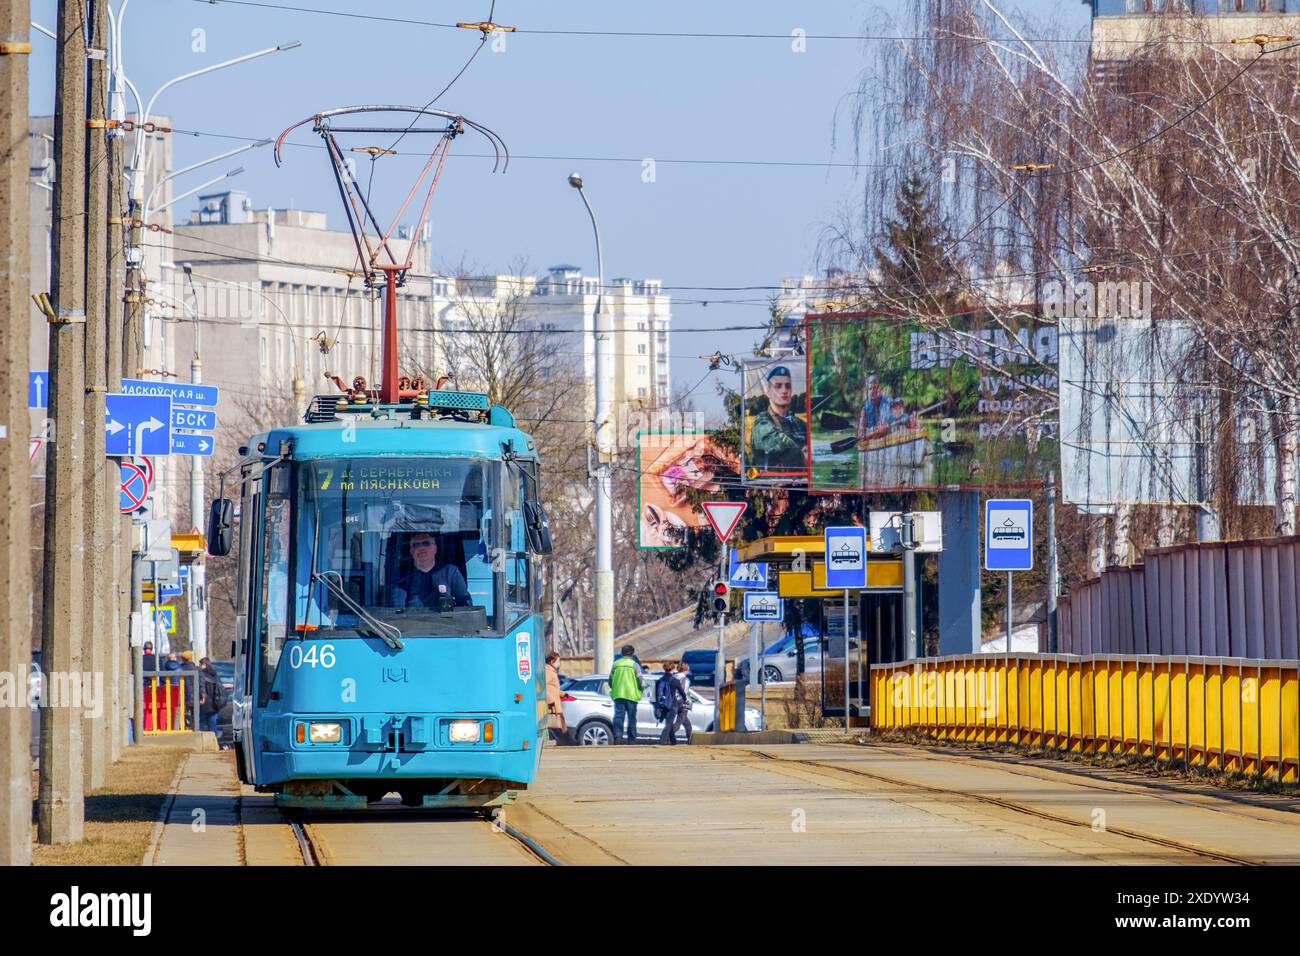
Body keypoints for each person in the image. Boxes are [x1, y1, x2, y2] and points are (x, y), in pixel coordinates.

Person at [748, 365, 807, 471]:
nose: (784, 390)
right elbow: (775, 441)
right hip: (771, 485)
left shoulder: (799, 424)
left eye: (788, 386)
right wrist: (802, 454)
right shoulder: (762, 422)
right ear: (768, 391)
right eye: (778, 386)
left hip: (801, 484)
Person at [391, 532, 472, 609]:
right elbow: (397, 609)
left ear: (435, 549)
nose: (421, 548)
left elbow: (465, 604)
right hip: (409, 622)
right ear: (411, 551)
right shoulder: (402, 575)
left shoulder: (451, 572)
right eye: (416, 545)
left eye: (426, 543)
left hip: (445, 623)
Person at [609, 644, 643, 744]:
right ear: (632, 653)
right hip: (632, 695)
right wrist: (641, 689)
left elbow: (610, 681)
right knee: (631, 718)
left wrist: (615, 687)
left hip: (618, 695)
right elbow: (640, 680)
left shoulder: (615, 664)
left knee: (618, 717)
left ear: (622, 653)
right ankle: (631, 739)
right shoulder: (634, 665)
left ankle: (618, 738)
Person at [656, 662, 688, 745]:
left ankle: (673, 742)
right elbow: (682, 692)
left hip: (663, 705)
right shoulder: (675, 680)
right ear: (673, 669)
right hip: (672, 704)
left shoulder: (660, 680)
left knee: (668, 723)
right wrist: (685, 699)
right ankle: (662, 741)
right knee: (669, 724)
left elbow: (657, 694)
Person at [857, 373, 891, 443]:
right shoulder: (865, 409)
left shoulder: (889, 402)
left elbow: (887, 427)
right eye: (870, 389)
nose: (872, 391)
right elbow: (860, 433)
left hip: (888, 438)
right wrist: (865, 432)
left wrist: (869, 434)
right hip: (873, 440)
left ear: (880, 389)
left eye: (875, 387)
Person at [544, 650, 567, 745]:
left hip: (555, 705)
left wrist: (562, 694)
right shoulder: (548, 671)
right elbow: (543, 688)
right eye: (558, 661)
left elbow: (553, 688)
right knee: (558, 728)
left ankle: (564, 744)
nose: (559, 663)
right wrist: (551, 700)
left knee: (560, 728)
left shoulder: (551, 671)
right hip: (553, 706)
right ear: (552, 661)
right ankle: (564, 745)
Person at [197, 657, 224, 740]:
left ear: (204, 664)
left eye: (200, 664)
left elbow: (200, 687)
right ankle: (214, 737)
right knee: (212, 721)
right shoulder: (214, 674)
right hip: (214, 701)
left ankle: (199, 738)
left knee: (201, 721)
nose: (199, 666)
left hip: (204, 700)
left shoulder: (200, 674)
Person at [672, 661, 694, 743]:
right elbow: (684, 692)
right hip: (682, 703)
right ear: (686, 670)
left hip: (673, 702)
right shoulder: (685, 679)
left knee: (687, 723)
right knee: (678, 723)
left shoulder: (674, 677)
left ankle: (690, 739)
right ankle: (667, 735)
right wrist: (686, 701)